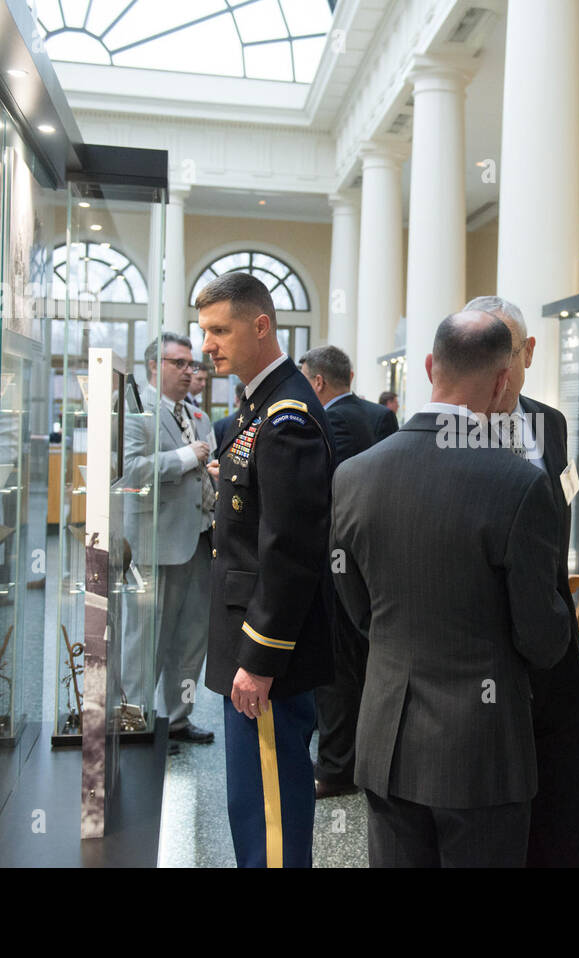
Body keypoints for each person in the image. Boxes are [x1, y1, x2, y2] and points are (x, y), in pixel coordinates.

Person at [332, 310, 573, 867]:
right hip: (482, 750)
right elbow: (540, 637)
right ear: (502, 382)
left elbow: (356, 605)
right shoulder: (517, 484)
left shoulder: (355, 474)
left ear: (427, 368)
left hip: (387, 735)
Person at [196, 272, 335, 868]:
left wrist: (259, 658)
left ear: (261, 326)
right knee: (251, 803)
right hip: (246, 638)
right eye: (204, 332)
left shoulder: (287, 418)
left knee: (271, 808)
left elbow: (290, 553)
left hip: (265, 653)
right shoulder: (258, 406)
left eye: (220, 330)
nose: (208, 345)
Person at [465, 294, 579, 868]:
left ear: (529, 352)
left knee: (562, 804)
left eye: (508, 351)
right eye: (483, 351)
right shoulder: (449, 430)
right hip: (476, 649)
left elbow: (557, 508)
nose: (496, 367)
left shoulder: (550, 423)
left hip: (550, 639)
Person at [298, 344, 396, 800]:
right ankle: (362, 757)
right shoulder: (378, 416)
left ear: (317, 382)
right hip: (373, 558)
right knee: (362, 659)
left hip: (337, 559)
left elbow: (323, 493)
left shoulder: (330, 421)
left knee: (337, 669)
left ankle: (337, 767)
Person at [122, 332, 217, 744]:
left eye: (191, 364)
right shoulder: (133, 410)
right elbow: (131, 471)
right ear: (154, 367)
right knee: (146, 640)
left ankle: (178, 718)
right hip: (154, 544)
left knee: (191, 638)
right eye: (179, 363)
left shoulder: (195, 415)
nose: (189, 371)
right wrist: (187, 457)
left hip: (198, 541)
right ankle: (135, 720)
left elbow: (206, 461)